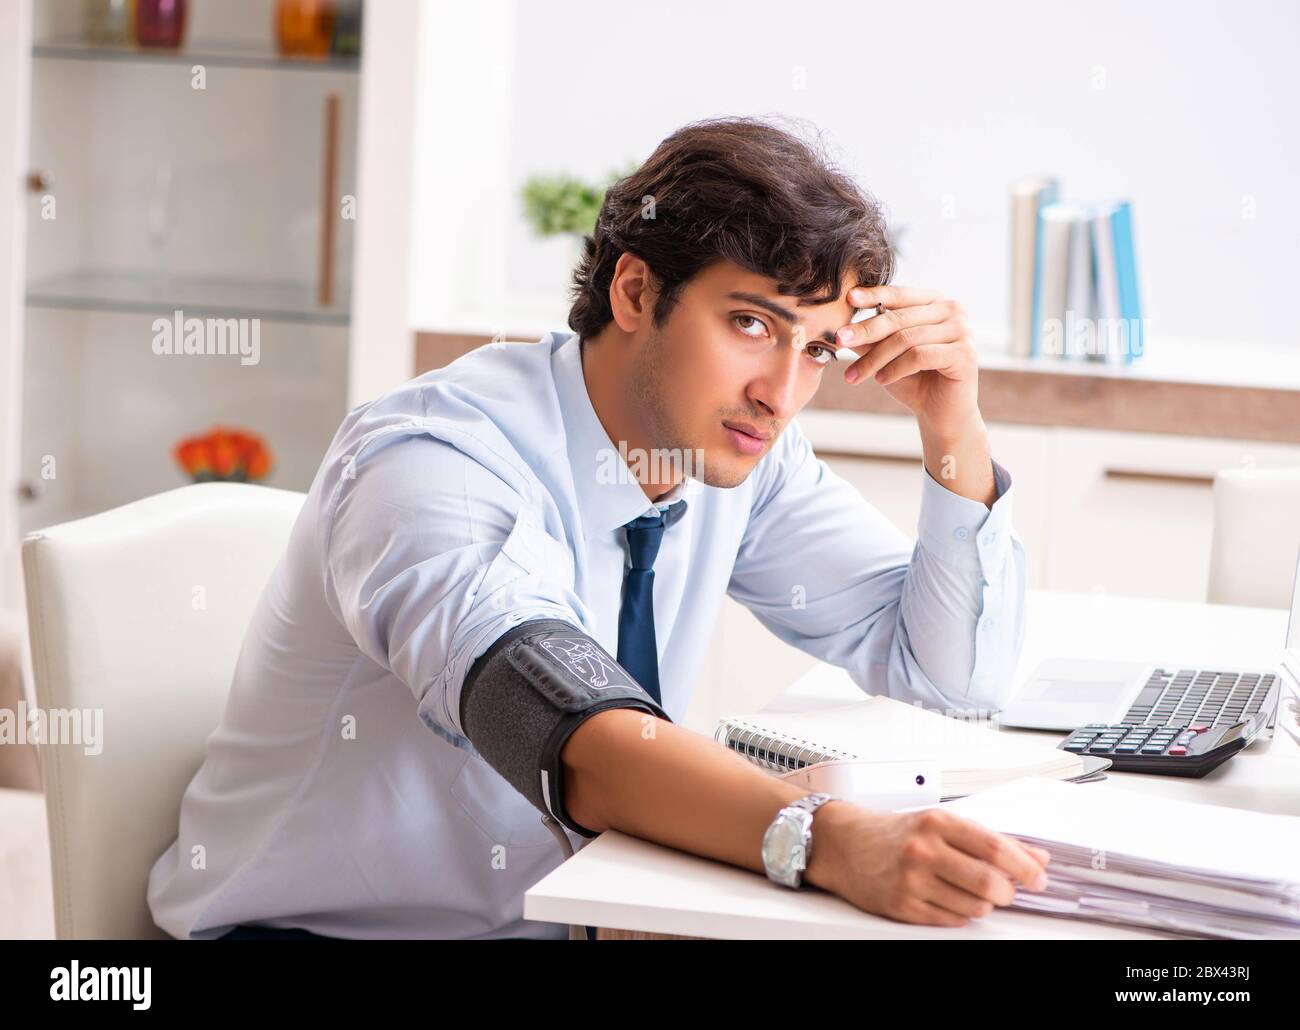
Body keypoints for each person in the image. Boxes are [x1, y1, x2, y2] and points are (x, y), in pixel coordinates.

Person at [148, 116, 1046, 940]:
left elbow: (953, 673)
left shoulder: (734, 456)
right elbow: (564, 731)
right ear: (633, 290)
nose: (782, 392)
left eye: (814, 348)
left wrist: (953, 429)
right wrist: (828, 841)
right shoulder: (432, 463)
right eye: (749, 323)